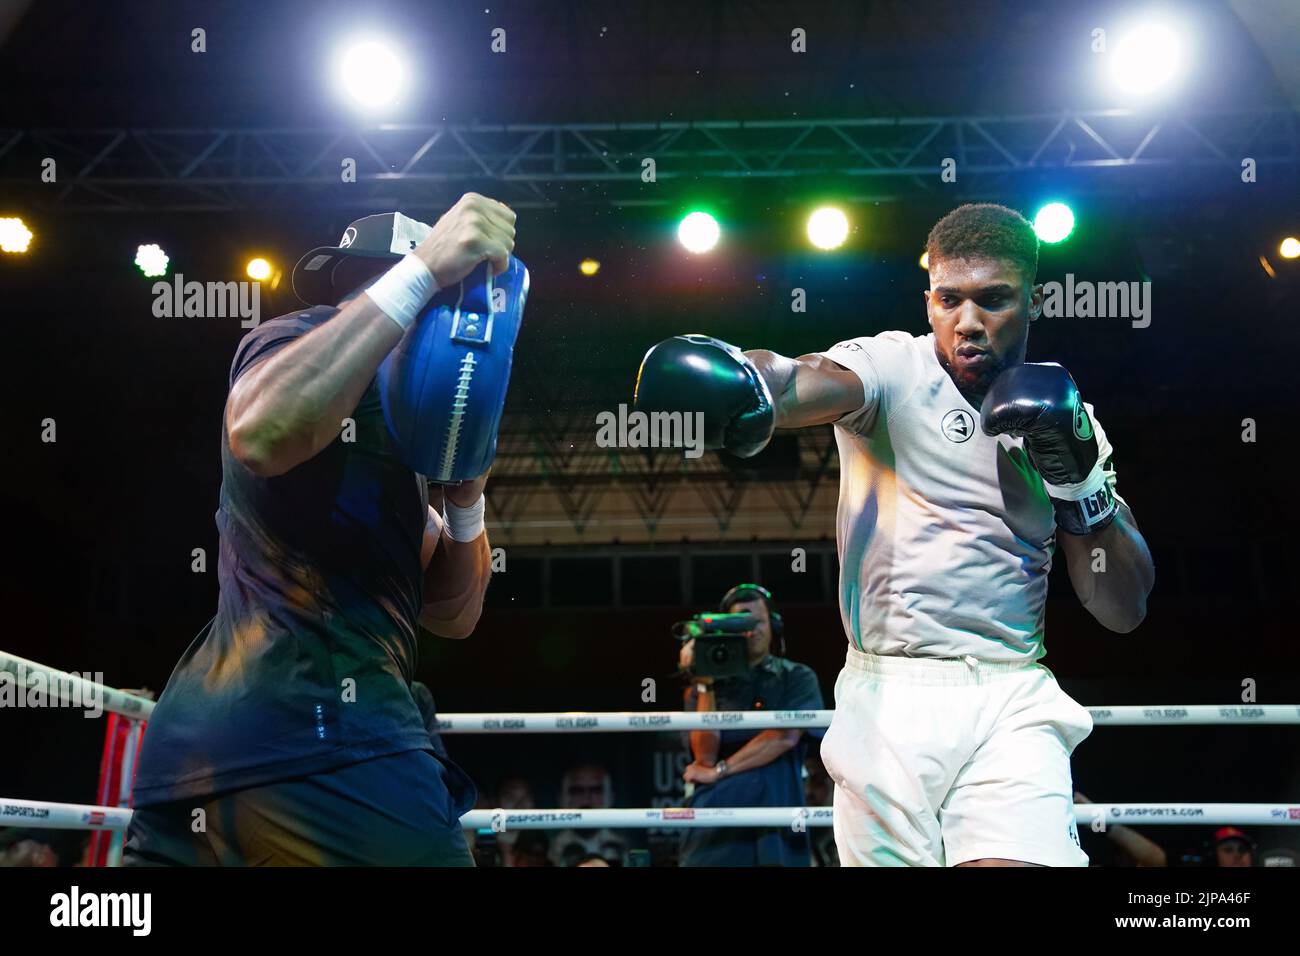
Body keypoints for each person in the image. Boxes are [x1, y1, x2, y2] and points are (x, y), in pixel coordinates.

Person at [635, 203, 1155, 867]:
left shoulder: (1073, 424)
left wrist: (1081, 487)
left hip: (1011, 699)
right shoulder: (890, 368)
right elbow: (802, 377)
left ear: (1036, 299)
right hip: (888, 699)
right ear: (929, 299)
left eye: (994, 300)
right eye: (949, 300)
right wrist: (749, 379)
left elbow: (1123, 608)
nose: (968, 323)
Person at [124, 195, 515, 866]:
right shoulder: (298, 340)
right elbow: (259, 431)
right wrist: (424, 270)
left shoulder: (401, 443)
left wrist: (468, 498)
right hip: (323, 737)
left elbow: (455, 615)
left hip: (216, 752)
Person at [676, 585, 825, 867]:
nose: (752, 629)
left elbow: (784, 736)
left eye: (758, 621)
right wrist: (704, 681)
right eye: (741, 622)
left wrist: (721, 770)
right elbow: (704, 757)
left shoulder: (797, 677)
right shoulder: (703, 688)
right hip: (717, 816)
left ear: (773, 626)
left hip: (777, 813)